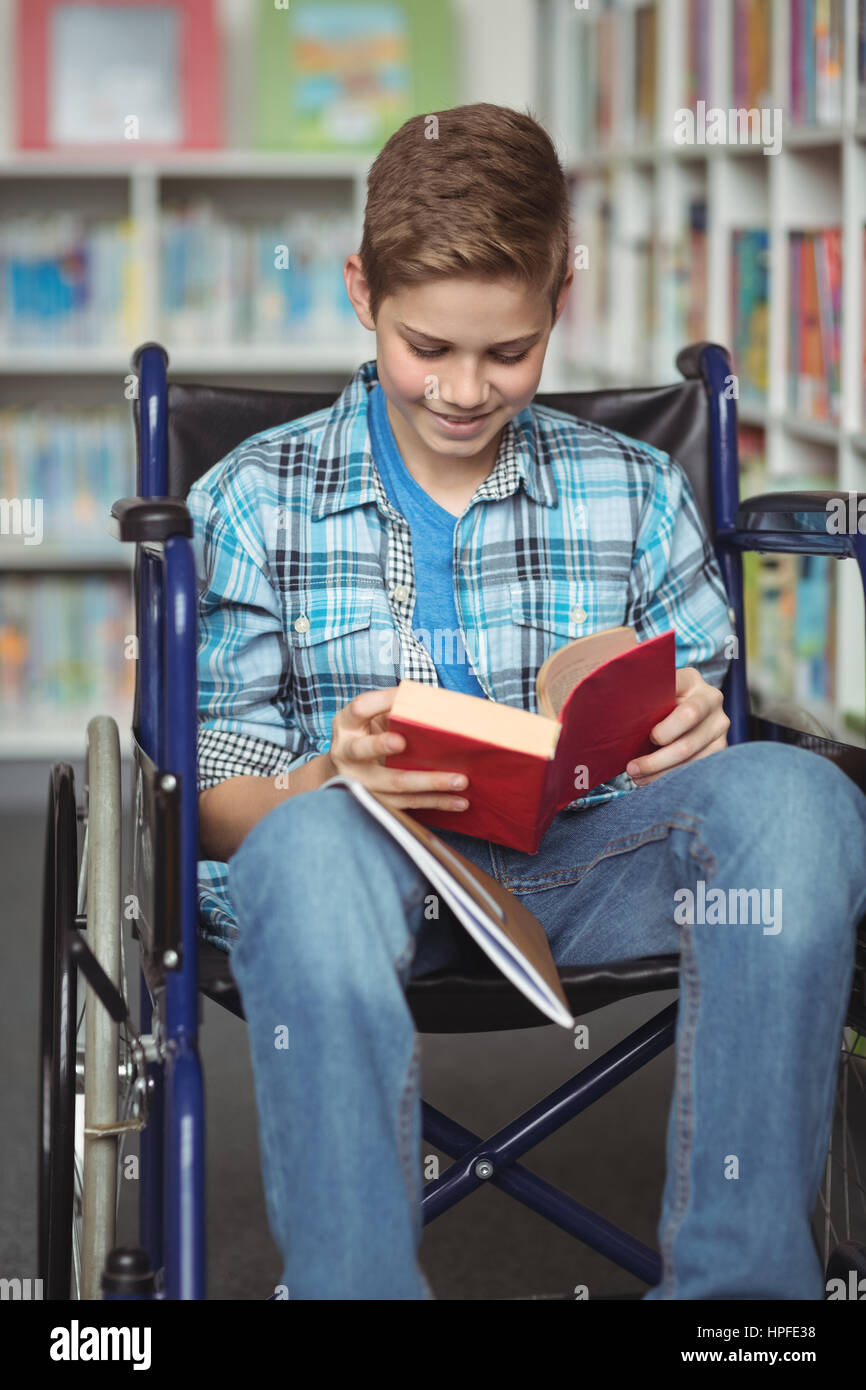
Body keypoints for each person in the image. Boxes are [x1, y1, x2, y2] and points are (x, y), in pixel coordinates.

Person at [187, 103, 866, 1300]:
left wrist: (698, 728)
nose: (462, 388)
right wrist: (325, 776)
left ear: (560, 296)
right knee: (305, 846)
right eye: (426, 347)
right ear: (359, 290)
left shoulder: (634, 488)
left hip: (578, 866)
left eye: (507, 352)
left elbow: (697, 720)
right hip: (351, 877)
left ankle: (738, 1303)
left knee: (799, 799)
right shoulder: (253, 499)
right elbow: (208, 795)